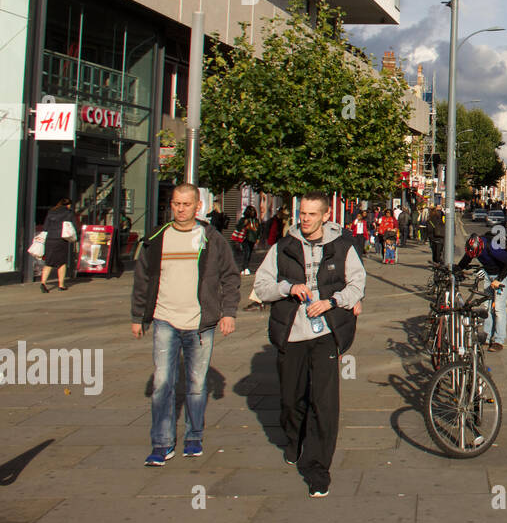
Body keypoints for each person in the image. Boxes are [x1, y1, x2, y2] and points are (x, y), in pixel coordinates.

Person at [254, 191, 364, 497]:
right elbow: (261, 287)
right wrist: (288, 288)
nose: (304, 219)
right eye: (302, 213)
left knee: (324, 403)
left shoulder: (342, 246)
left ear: (326, 216)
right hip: (292, 333)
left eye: (311, 214)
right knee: (291, 400)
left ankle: (318, 470)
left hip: (326, 332)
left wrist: (332, 302)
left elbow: (357, 284)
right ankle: (294, 438)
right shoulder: (284, 247)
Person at [131, 182, 239, 466]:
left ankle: (194, 436)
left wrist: (228, 312)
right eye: (176, 204)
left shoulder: (211, 238)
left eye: (186, 204)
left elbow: (230, 276)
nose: (180, 209)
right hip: (164, 319)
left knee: (195, 384)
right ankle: (161, 444)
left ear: (197, 206)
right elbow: (143, 279)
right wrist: (138, 316)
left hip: (200, 323)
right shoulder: (158, 237)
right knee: (162, 383)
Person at [455, 233, 507, 353]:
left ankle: (499, 340)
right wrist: (456, 269)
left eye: (477, 254)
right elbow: (466, 259)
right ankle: (487, 337)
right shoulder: (473, 247)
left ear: (480, 247)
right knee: (487, 306)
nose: (476, 256)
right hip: (488, 274)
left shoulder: (492, 247)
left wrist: (499, 280)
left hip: (501, 275)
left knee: (498, 308)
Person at [39, 197, 78, 292]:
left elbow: (45, 227)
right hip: (61, 239)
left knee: (48, 262)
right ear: (68, 205)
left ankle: (43, 282)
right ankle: (61, 285)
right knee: (61, 262)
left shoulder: (51, 212)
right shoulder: (69, 213)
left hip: (50, 238)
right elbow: (74, 227)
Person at [235, 207, 259, 274]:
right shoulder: (243, 220)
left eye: (253, 211)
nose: (252, 213)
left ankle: (245, 267)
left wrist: (258, 238)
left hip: (252, 239)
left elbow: (258, 230)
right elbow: (238, 227)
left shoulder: (255, 220)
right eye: (251, 211)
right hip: (244, 238)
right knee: (247, 252)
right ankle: (245, 267)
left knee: (249, 253)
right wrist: (243, 224)